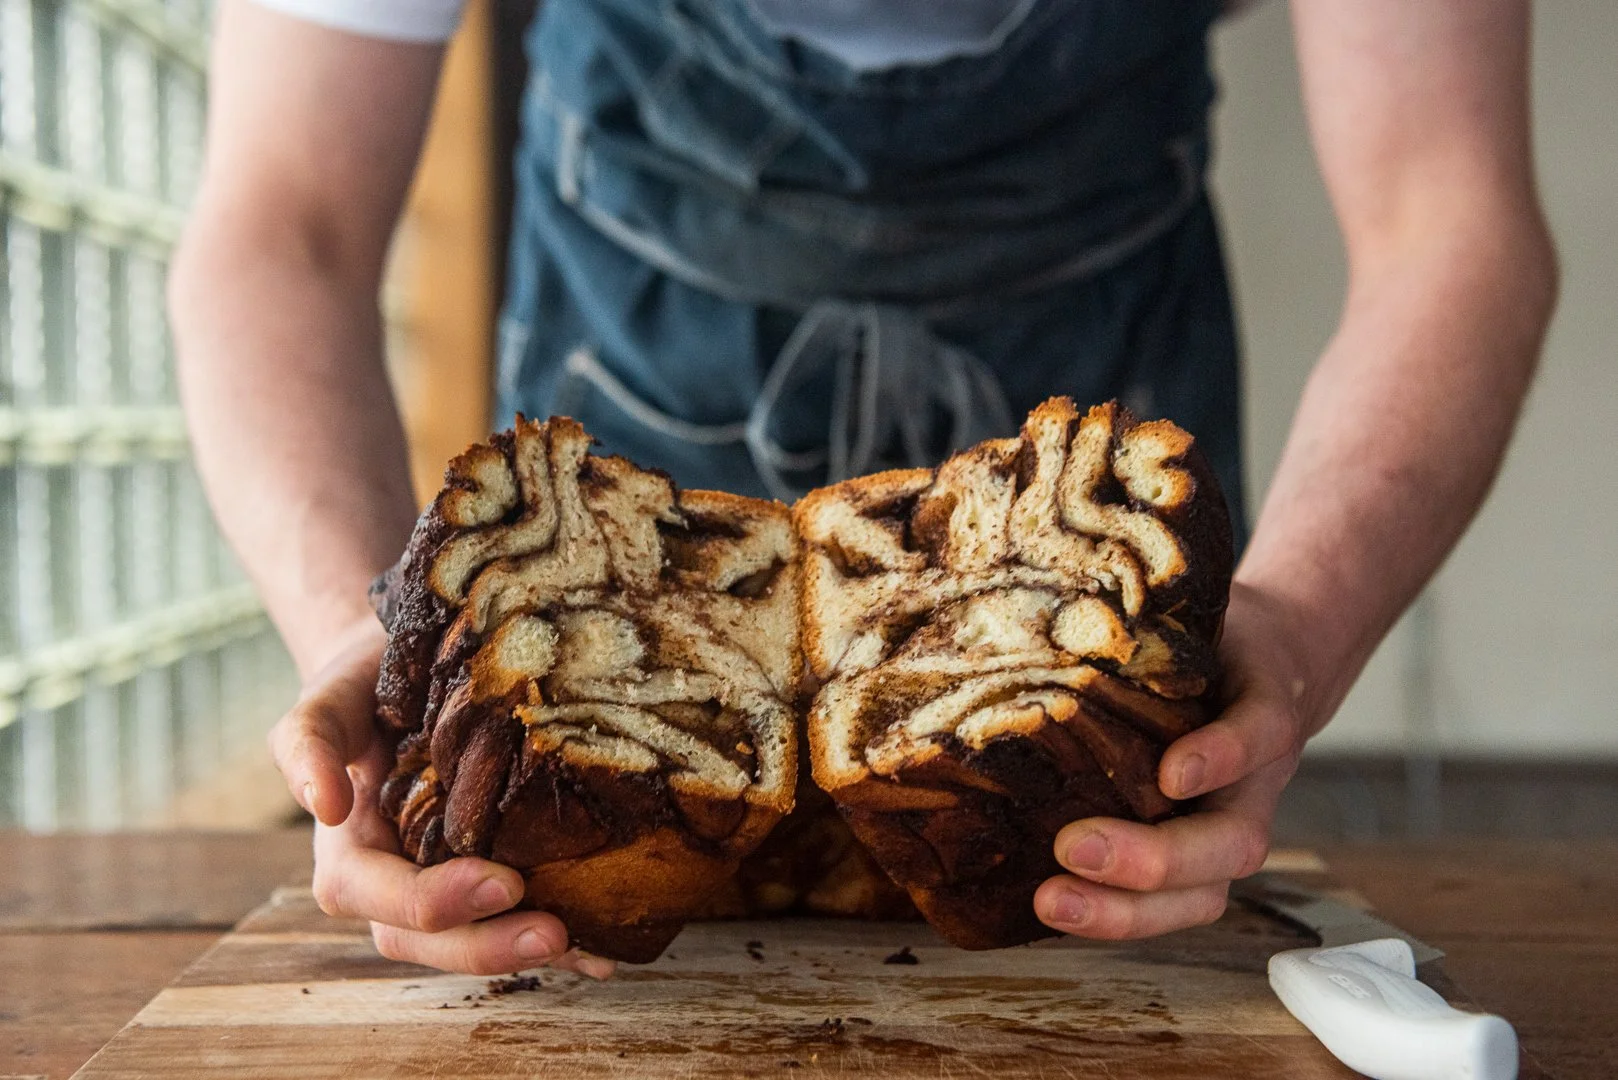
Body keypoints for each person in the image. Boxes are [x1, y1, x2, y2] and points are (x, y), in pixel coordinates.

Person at [169, 0, 1557, 978]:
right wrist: (371, 652)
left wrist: (1300, 620)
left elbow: (1449, 218)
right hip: (617, 472)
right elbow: (282, 228)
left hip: (1076, 515)